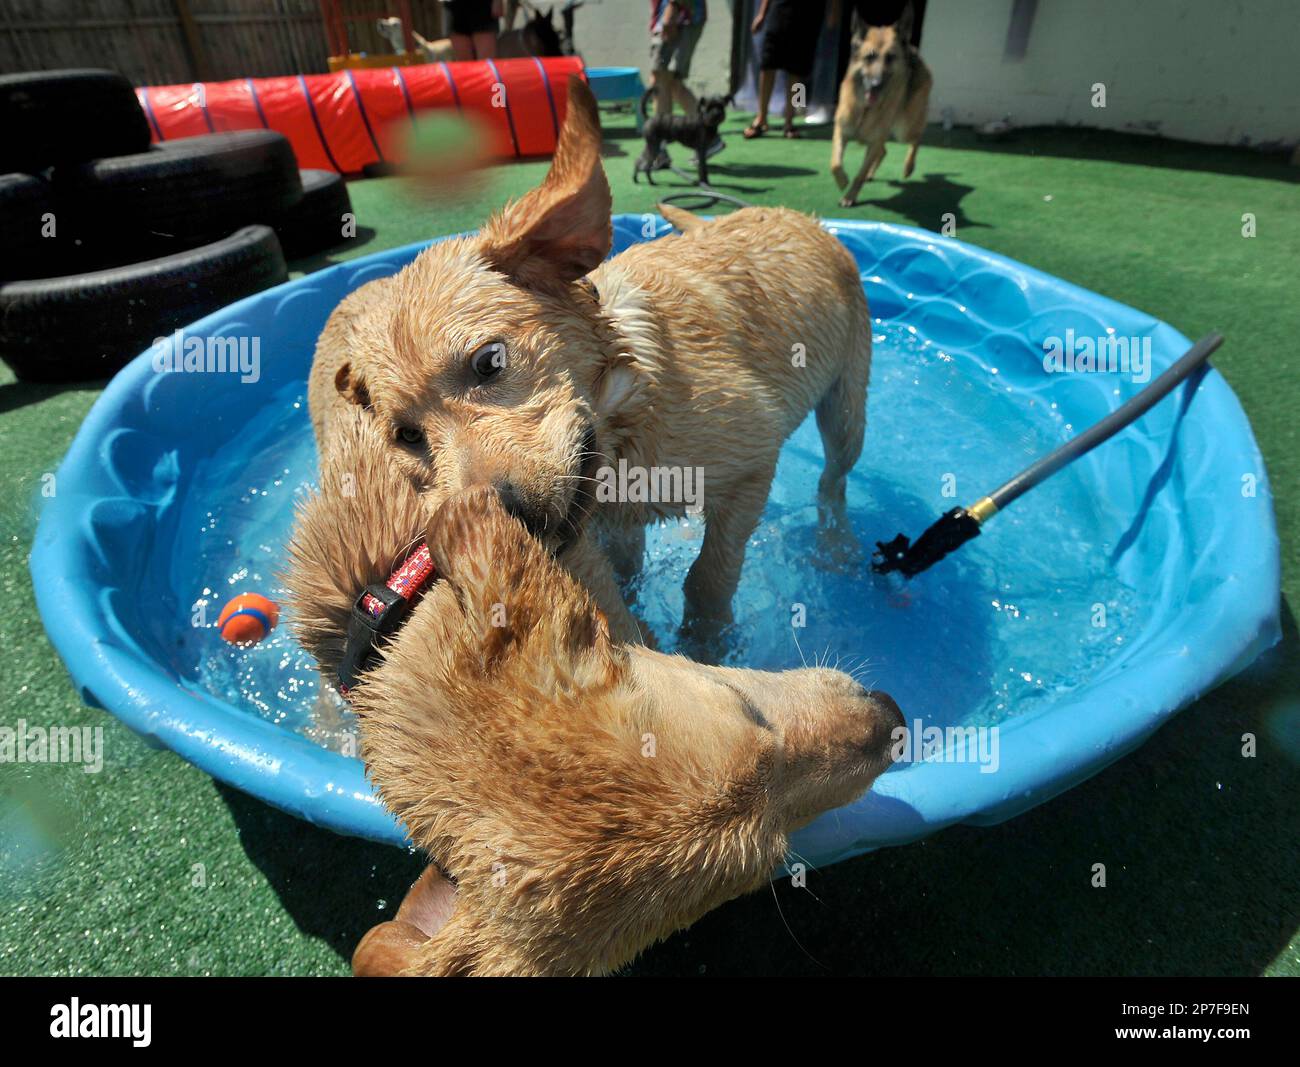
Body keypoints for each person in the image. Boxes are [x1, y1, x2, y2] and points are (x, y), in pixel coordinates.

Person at [745, 0, 837, 138]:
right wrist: (762, 14)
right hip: (780, 9)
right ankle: (761, 119)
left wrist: (833, 13)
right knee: (768, 64)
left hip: (809, 15)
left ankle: (789, 122)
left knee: (798, 70)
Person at [647, 2, 722, 170]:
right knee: (671, 81)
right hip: (681, 15)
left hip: (678, 15)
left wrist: (670, 12)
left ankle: (659, 149)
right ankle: (710, 138)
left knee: (661, 78)